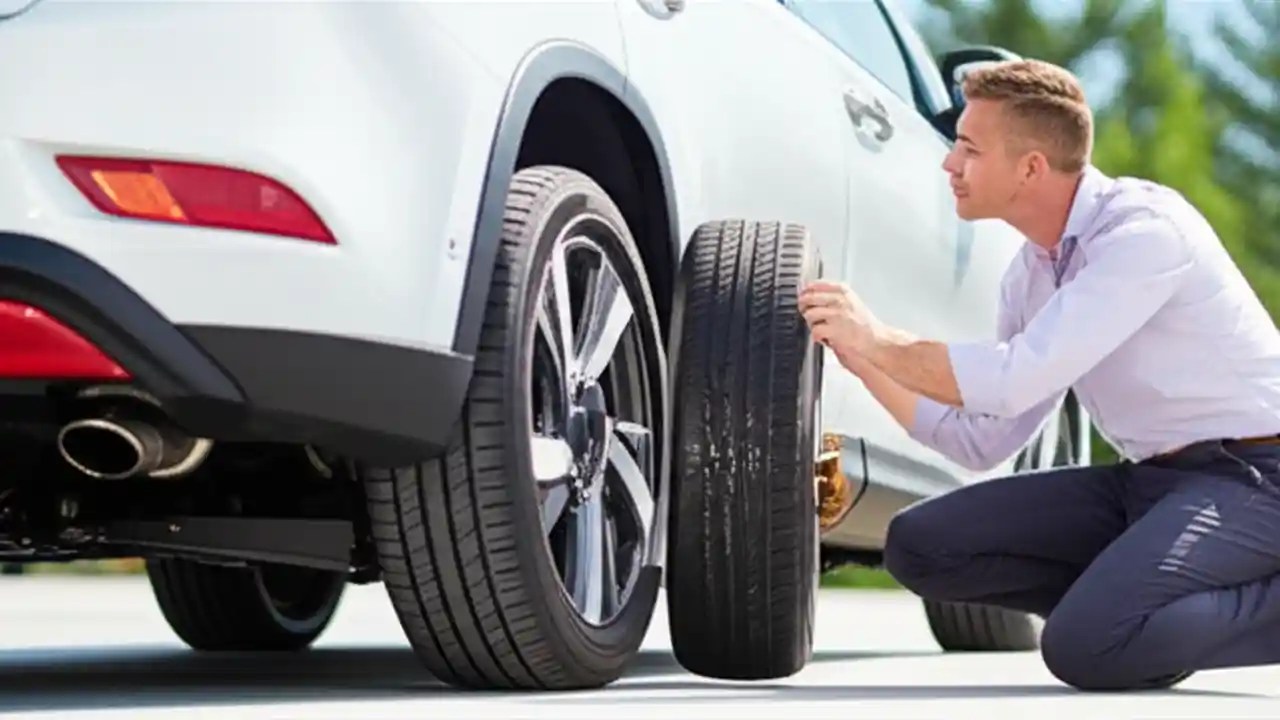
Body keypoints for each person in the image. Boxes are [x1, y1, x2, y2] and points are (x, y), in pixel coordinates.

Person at [798, 57, 1280, 692]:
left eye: (968, 148)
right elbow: (982, 439)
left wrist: (880, 337)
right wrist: (862, 358)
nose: (950, 164)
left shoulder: (1145, 235)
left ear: (1030, 167)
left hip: (1255, 481)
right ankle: (1138, 616)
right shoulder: (1029, 276)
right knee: (920, 544)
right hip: (1150, 485)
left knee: (1084, 648)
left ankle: (1125, 623)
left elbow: (1010, 380)